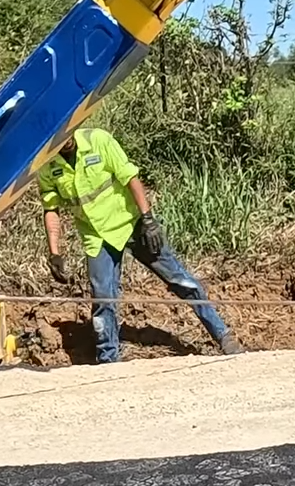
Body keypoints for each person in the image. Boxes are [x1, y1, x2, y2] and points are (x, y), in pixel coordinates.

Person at [40, 126, 245, 362]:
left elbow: (130, 178)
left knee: (181, 280)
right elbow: (50, 208)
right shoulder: (48, 166)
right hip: (97, 236)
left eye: (65, 134)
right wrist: (54, 252)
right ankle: (108, 360)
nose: (63, 141)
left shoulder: (98, 140)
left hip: (132, 223)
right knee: (103, 297)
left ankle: (223, 336)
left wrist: (148, 219)